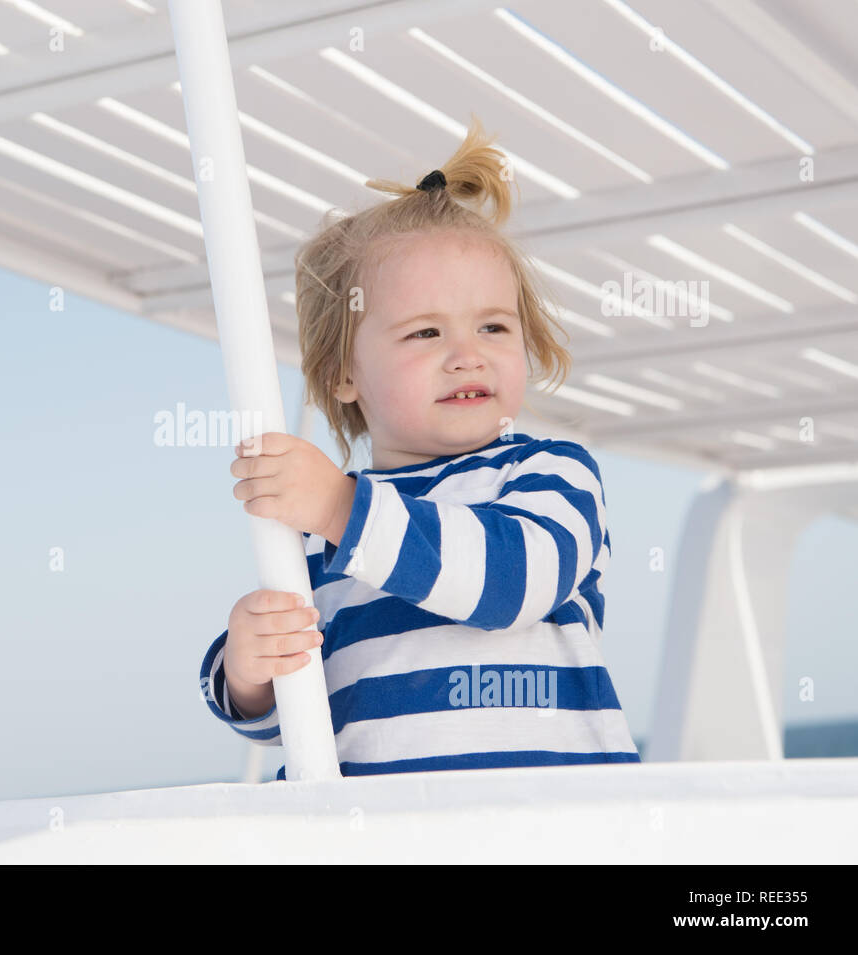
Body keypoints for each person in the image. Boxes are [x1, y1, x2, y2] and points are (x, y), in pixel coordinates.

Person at [199, 116, 641, 780]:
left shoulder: (550, 474)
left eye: (493, 325)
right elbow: (293, 718)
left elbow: (509, 584)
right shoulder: (321, 537)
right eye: (426, 332)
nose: (468, 355)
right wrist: (249, 670)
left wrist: (343, 508)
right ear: (344, 372)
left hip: (554, 831)